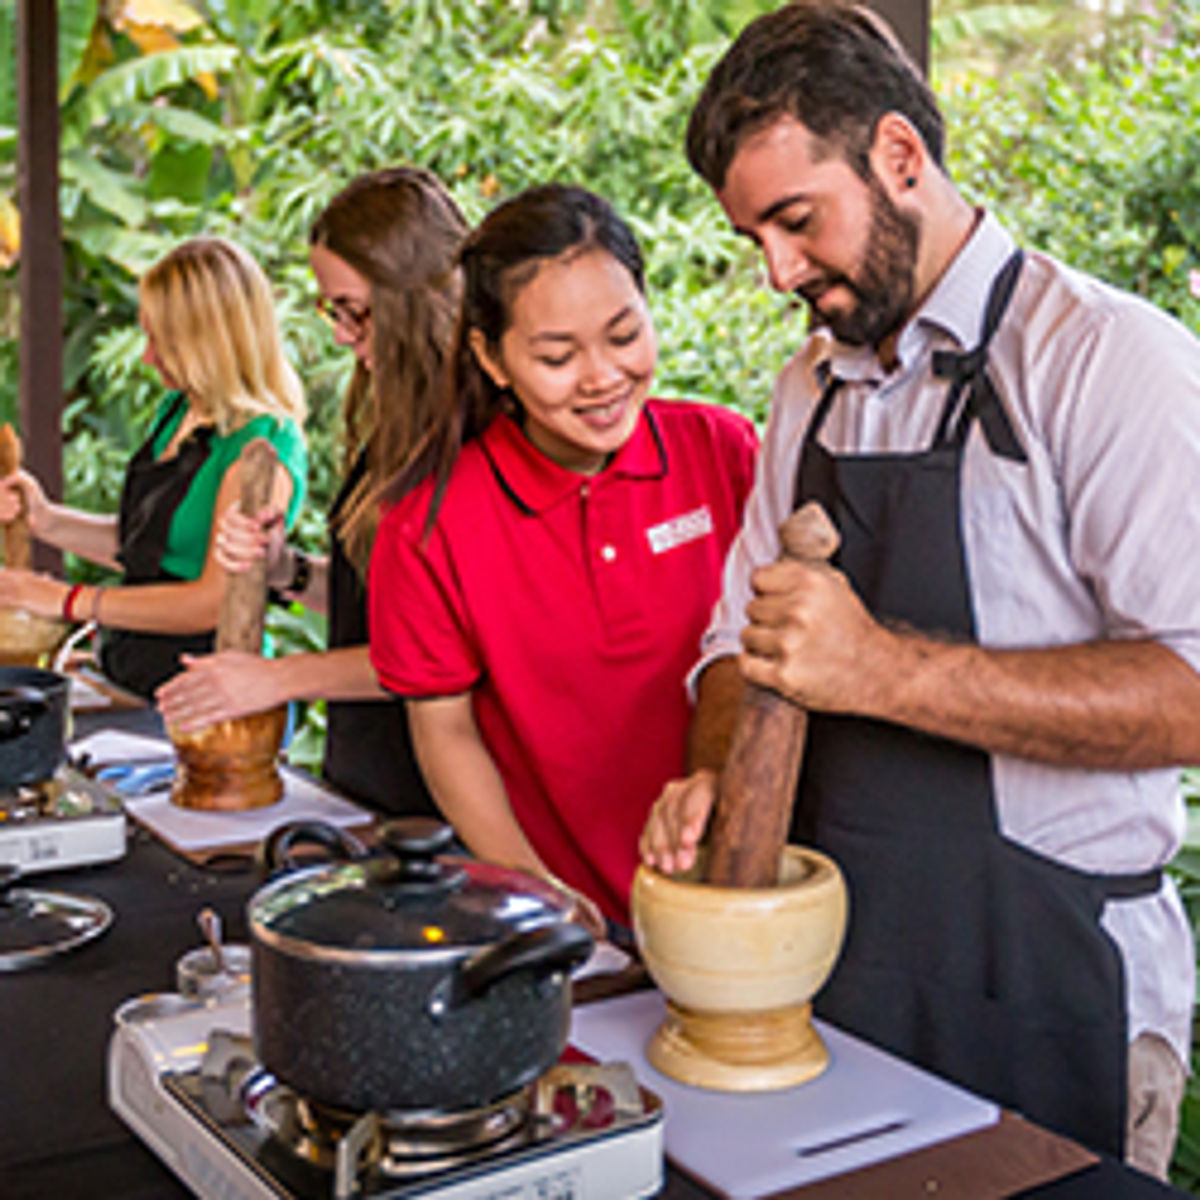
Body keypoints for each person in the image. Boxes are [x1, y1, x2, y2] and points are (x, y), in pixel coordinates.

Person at [638, 0, 1200, 1177]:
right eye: (756, 240)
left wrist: (879, 669)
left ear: (900, 156)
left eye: (797, 222)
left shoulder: (1107, 362)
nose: (780, 271)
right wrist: (712, 766)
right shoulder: (811, 389)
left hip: (1052, 977)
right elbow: (736, 646)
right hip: (842, 978)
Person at [368, 183, 758, 933]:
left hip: (734, 904)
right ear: (491, 358)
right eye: (557, 355)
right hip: (567, 926)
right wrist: (538, 895)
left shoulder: (724, 451)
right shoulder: (426, 524)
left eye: (623, 335)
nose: (602, 377)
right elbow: (445, 731)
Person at [157, 168, 465, 817]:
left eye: (353, 311)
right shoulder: (394, 420)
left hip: (446, 802)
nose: (339, 335)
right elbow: (380, 601)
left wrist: (273, 679)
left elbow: (441, 651)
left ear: (413, 295)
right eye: (332, 310)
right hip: (367, 781)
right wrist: (285, 570)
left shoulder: (477, 440)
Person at [0, 236, 307, 699]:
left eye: (162, 341)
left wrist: (67, 601)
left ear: (209, 343)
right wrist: (48, 520)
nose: (147, 356)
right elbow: (148, 545)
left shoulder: (263, 448)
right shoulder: (177, 410)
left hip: (206, 692)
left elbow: (213, 601)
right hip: (132, 673)